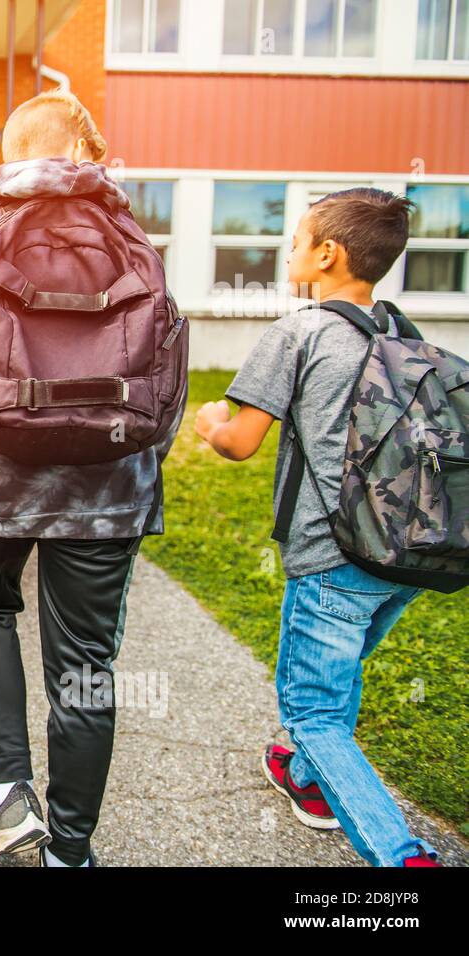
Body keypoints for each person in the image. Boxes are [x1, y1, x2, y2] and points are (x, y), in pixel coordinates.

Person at [0, 90, 181, 867]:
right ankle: (72, 848)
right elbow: (167, 360)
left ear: (10, 151)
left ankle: (9, 791)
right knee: (86, 668)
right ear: (86, 150)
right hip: (108, 489)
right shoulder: (130, 232)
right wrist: (136, 451)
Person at [195, 187, 441, 867]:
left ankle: (403, 858)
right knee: (338, 673)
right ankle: (304, 776)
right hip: (404, 557)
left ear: (328, 253)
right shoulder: (402, 333)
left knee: (314, 712)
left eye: (298, 238)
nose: (289, 249)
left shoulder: (300, 330)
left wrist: (210, 422)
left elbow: (243, 441)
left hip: (331, 554)